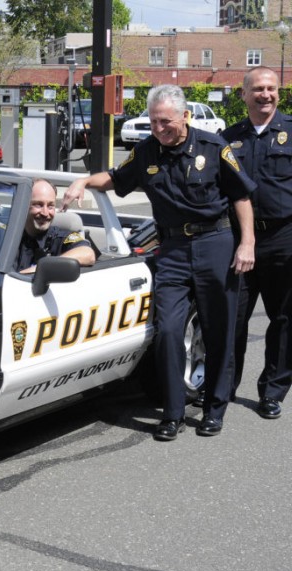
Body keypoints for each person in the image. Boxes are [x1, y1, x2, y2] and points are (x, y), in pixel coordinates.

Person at [62, 84, 256, 441]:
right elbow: (117, 180)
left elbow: (241, 196)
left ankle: (214, 409)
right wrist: (83, 180)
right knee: (167, 330)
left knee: (218, 331)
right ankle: (173, 412)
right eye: (153, 121)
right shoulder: (147, 151)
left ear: (185, 116)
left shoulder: (214, 148)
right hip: (173, 249)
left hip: (216, 242)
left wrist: (247, 243)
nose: (159, 128)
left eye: (166, 121)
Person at [222, 66, 292, 420]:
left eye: (271, 89)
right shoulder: (228, 138)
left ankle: (272, 392)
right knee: (233, 316)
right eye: (258, 89)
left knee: (283, 319)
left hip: (285, 237)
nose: (266, 95)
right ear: (244, 94)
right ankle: (223, 389)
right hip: (240, 241)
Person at [0, 179, 95, 273]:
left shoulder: (60, 237)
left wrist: (39, 269)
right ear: (23, 206)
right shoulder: (7, 232)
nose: (45, 213)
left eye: (50, 206)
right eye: (38, 205)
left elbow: (87, 254)